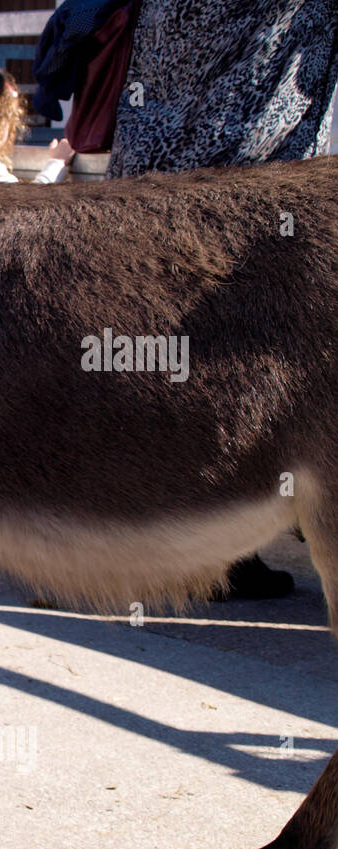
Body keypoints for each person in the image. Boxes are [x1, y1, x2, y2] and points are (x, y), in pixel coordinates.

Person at [107, 0, 338, 599]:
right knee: (228, 357)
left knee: (148, 345)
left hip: (154, 163)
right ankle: (214, 550)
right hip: (248, 179)